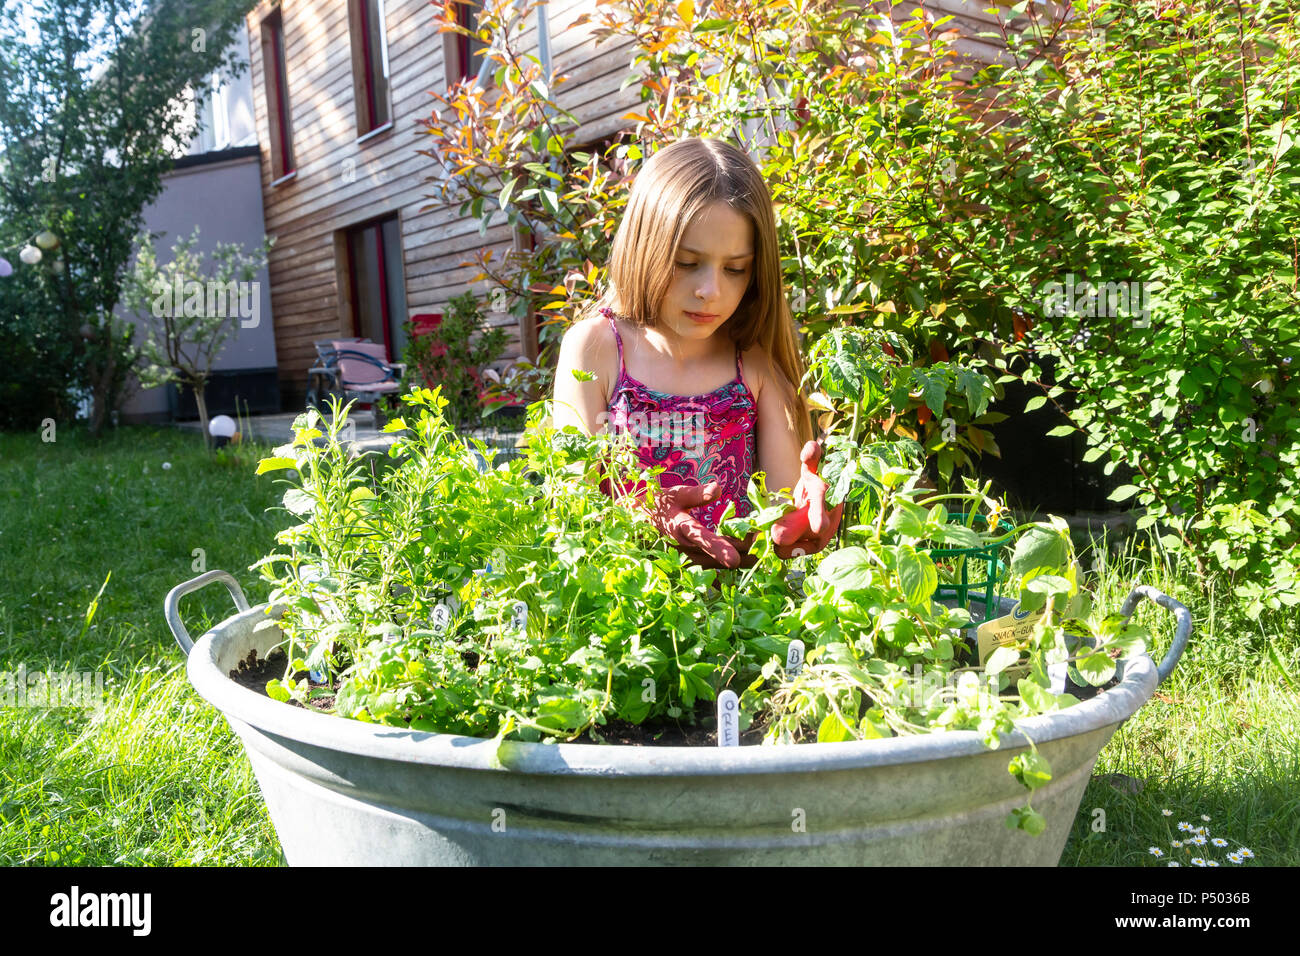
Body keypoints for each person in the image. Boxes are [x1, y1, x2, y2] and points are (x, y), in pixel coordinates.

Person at [551, 136, 844, 570]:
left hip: (740, 620)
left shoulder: (754, 363)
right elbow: (570, 509)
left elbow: (782, 521)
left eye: (735, 269)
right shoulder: (596, 349)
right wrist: (645, 514)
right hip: (621, 616)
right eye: (687, 262)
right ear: (643, 246)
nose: (710, 291)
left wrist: (806, 513)